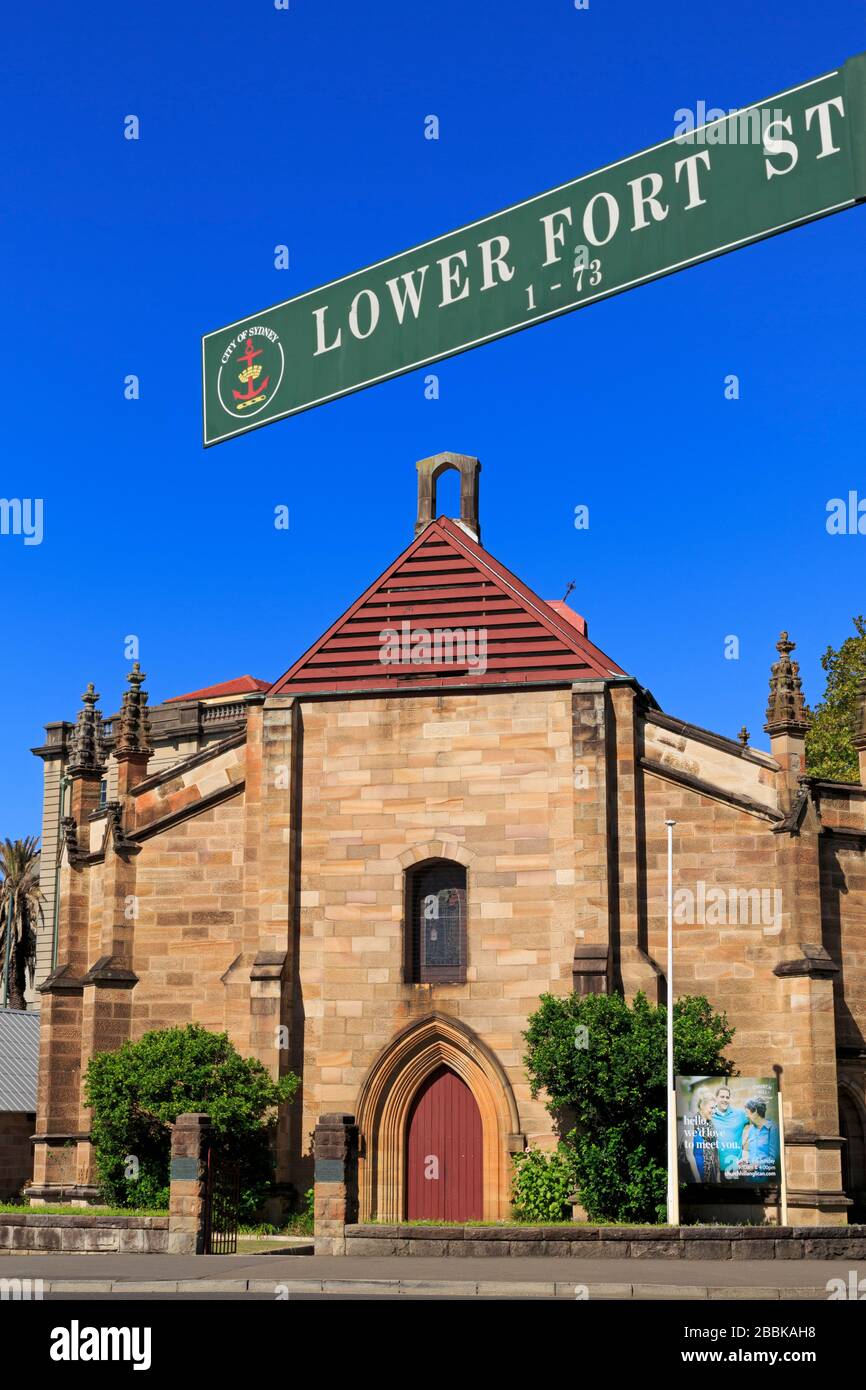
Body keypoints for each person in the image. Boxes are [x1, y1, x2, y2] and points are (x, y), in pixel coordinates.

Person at [680, 1090, 721, 1185]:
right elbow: (689, 1154)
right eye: (712, 1107)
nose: (714, 1111)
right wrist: (697, 1178)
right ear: (702, 1106)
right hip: (697, 1173)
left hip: (712, 1174)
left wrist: (718, 1174)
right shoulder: (692, 1123)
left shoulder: (711, 1125)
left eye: (715, 1108)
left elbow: (715, 1151)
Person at [711, 1085, 748, 1179]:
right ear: (716, 1098)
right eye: (722, 1097)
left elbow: (756, 1121)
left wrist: (745, 1140)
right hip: (716, 1168)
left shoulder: (739, 1114)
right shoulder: (710, 1115)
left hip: (736, 1167)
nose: (725, 1100)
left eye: (727, 1097)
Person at [740, 1098, 780, 1181]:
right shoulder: (751, 1129)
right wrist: (745, 1161)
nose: (746, 1116)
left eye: (747, 1112)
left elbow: (774, 1158)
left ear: (755, 1112)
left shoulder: (773, 1128)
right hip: (749, 1180)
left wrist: (754, 1166)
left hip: (765, 1181)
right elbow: (753, 1153)